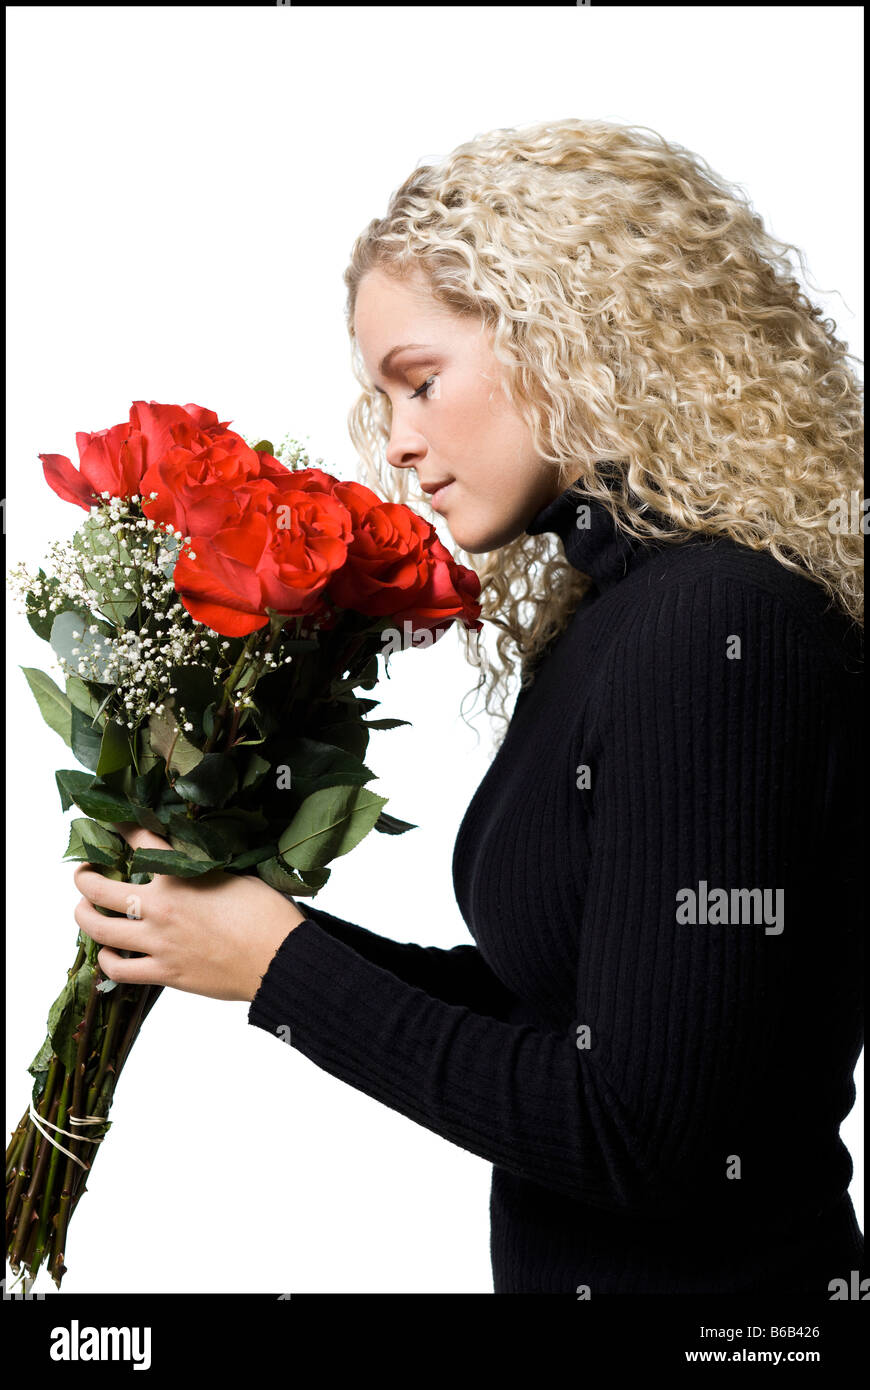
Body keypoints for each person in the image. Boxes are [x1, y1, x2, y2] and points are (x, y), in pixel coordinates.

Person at [74, 118, 865, 1295]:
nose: (398, 442)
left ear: (573, 334)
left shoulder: (716, 627)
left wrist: (282, 969)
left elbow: (638, 1137)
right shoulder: (621, 608)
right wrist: (226, 927)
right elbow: (567, 1009)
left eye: (422, 382)